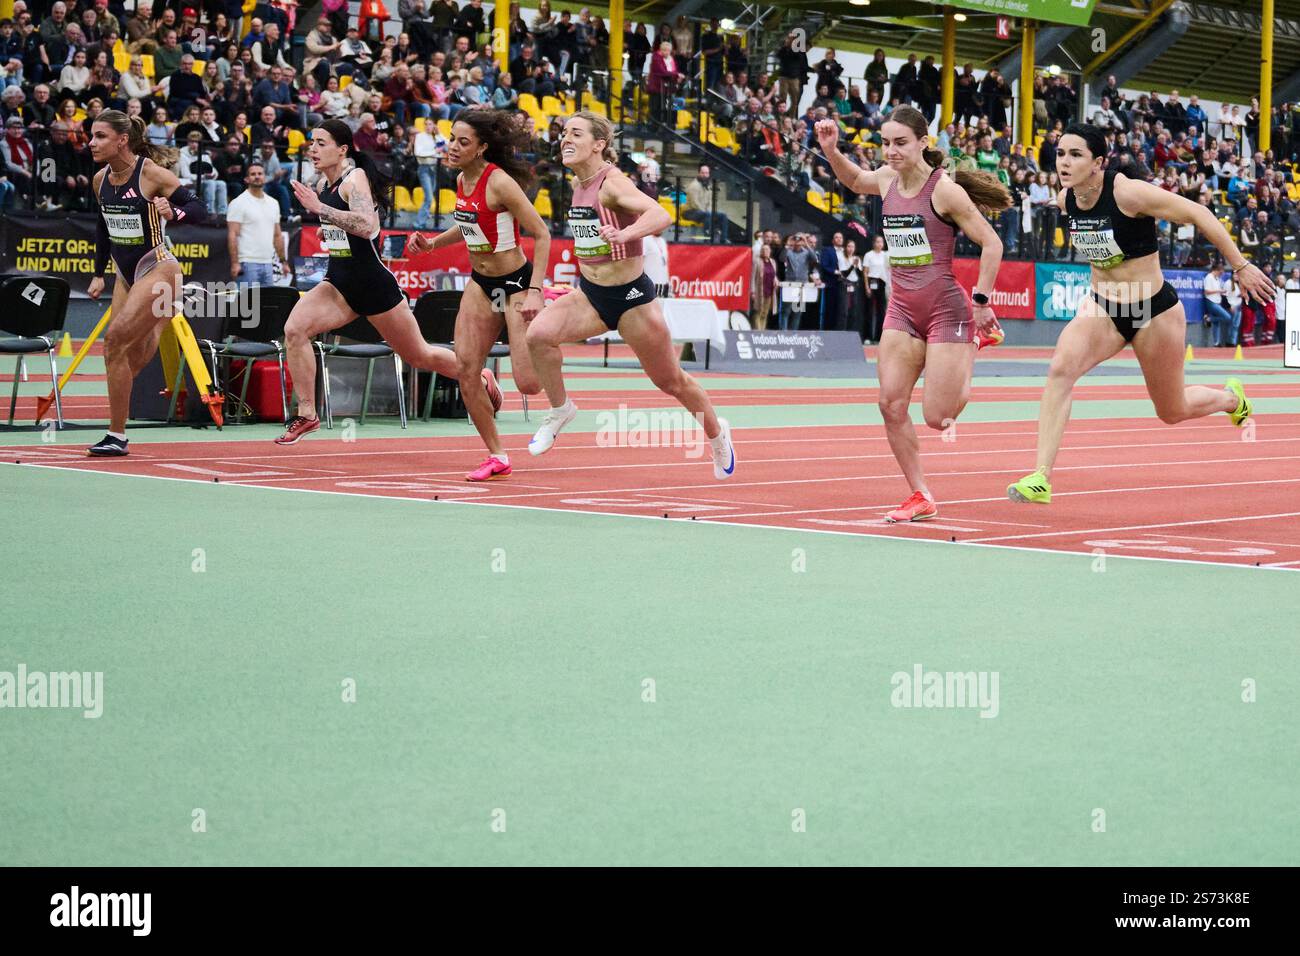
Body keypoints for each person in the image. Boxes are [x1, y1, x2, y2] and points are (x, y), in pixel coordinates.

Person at [1007, 124, 1275, 503]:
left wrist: (1239, 265)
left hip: (1153, 310)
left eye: (1076, 155)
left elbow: (1198, 212)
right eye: (1061, 153)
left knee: (1171, 409)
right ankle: (1041, 477)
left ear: (1098, 162)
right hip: (1103, 307)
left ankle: (1231, 399)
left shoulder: (1128, 193)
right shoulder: (1066, 199)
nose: (1064, 162)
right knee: (1060, 370)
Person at [818, 106, 1009, 522]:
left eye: (900, 143)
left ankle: (974, 341)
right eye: (885, 143)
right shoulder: (886, 179)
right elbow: (853, 179)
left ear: (924, 143)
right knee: (890, 403)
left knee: (938, 418)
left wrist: (980, 304)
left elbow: (992, 244)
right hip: (902, 309)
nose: (891, 151)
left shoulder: (945, 191)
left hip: (946, 309)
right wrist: (832, 150)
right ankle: (920, 494)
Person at [524, 111, 737, 479]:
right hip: (590, 294)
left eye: (576, 133)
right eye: (563, 133)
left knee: (671, 382)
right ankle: (561, 409)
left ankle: (718, 436)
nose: (565, 139)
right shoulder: (579, 182)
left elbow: (660, 214)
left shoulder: (612, 184)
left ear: (599, 144)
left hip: (631, 299)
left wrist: (626, 234)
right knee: (539, 335)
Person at [275, 118, 461, 444]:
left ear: (342, 149)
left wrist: (321, 211)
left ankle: (477, 374)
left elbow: (364, 224)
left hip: (374, 286)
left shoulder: (353, 178)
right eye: (312, 142)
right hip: (339, 284)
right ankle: (307, 413)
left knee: (419, 356)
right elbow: (345, 228)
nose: (313, 149)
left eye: (321, 143)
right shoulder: (323, 185)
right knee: (294, 330)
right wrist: (327, 227)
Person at [405, 110, 550, 481]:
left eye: (463, 141)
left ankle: (552, 330)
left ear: (482, 147)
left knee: (529, 384)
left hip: (515, 286)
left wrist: (535, 291)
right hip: (481, 286)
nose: (453, 146)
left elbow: (542, 234)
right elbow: (468, 223)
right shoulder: (460, 179)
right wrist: (433, 244)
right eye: (452, 138)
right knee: (466, 370)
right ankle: (497, 455)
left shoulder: (500, 182)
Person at [84, 109, 208, 456]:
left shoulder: (152, 174)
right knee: (128, 357)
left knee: (113, 341)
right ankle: (165, 312)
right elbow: (102, 226)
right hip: (125, 274)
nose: (91, 143)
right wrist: (97, 273)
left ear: (122, 140)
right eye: (92, 136)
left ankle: (116, 435)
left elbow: (201, 209)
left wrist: (175, 213)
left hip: (158, 267)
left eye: (100, 136)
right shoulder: (99, 180)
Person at [226, 161, 288, 286]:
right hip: (247, 263)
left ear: (265, 177)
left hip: (268, 263)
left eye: (260, 173)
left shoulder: (273, 203)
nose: (257, 176)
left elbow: (277, 235)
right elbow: (233, 235)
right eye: (253, 174)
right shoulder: (238, 203)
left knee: (267, 304)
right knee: (247, 305)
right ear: (246, 179)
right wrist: (235, 263)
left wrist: (284, 262)